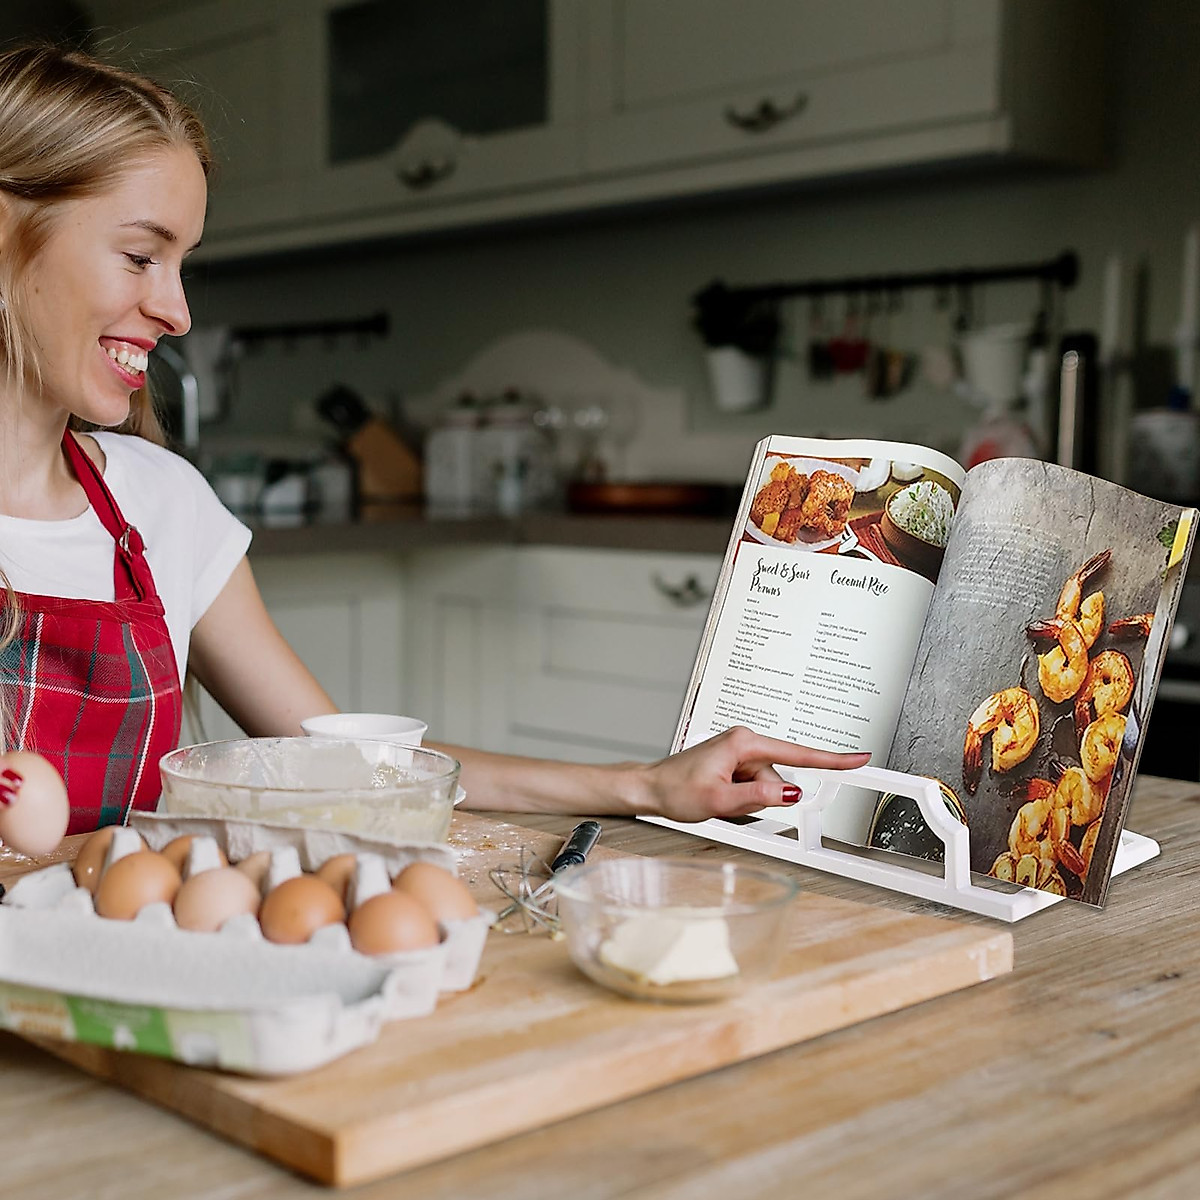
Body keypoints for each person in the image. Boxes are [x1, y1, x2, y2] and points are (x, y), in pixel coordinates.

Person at [0, 43, 868, 836]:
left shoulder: (164, 505)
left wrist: (647, 786)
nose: (178, 311)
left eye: (183, 264)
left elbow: (353, 775)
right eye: (141, 257)